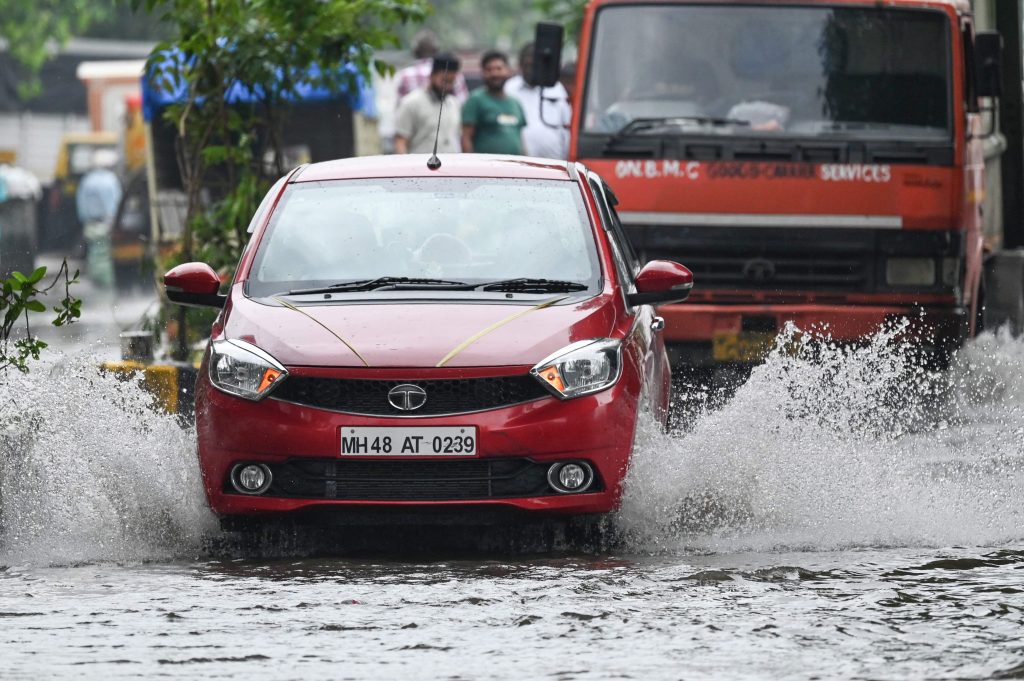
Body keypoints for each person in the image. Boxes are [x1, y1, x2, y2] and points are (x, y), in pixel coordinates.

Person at [504, 43, 572, 159]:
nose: (532, 70)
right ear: (520, 65)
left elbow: (566, 124)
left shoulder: (555, 88)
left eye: (535, 65)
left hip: (554, 162)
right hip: (519, 161)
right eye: (528, 65)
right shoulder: (510, 88)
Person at [394, 54, 462, 155]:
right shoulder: (411, 103)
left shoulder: (454, 104)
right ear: (432, 76)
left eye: (451, 82)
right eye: (444, 80)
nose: (447, 86)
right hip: (420, 168)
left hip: (450, 167)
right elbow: (400, 142)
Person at [461, 51, 526, 155]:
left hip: (514, 167)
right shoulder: (475, 100)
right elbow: (466, 137)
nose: (494, 74)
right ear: (482, 73)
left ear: (508, 71)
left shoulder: (515, 103)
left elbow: (520, 139)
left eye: (499, 69)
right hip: (485, 168)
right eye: (489, 70)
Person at [75, 149, 122, 286]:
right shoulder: (110, 180)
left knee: (93, 254)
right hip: (104, 223)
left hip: (90, 224)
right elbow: (113, 204)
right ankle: (105, 284)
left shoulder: (87, 180)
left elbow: (81, 204)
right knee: (104, 255)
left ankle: (96, 281)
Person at [395, 30, 469, 105]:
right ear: (436, 50)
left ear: (415, 52)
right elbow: (462, 104)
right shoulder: (453, 74)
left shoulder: (405, 76)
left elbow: (400, 107)